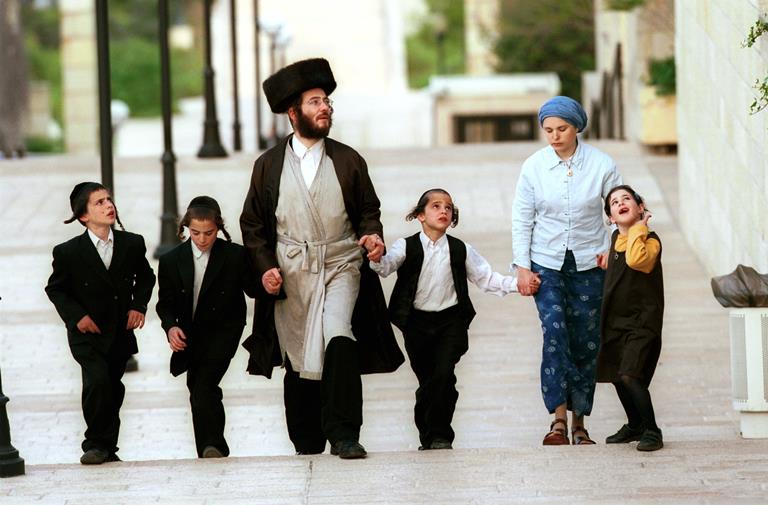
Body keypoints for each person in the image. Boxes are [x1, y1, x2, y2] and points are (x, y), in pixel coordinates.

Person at [240, 57, 404, 459]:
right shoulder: (268, 166)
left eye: (327, 101)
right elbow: (253, 225)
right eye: (315, 102)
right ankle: (306, 435)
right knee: (298, 348)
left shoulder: (349, 160)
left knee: (338, 335)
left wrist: (373, 237)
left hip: (341, 263)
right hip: (291, 268)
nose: (325, 108)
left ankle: (345, 432)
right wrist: (266, 270)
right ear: (294, 113)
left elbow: (369, 210)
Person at [370, 188, 523, 451]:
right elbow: (386, 266)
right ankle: (427, 434)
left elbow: (486, 278)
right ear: (420, 215)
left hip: (450, 322)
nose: (443, 211)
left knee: (443, 374)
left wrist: (518, 284)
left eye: (448, 208)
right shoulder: (406, 246)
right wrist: (375, 256)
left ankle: (441, 435)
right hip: (416, 324)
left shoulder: (460, 248)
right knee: (429, 381)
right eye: (436, 206)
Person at [511, 96, 622, 445]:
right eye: (548, 130)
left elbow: (617, 209)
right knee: (555, 335)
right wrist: (522, 267)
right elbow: (522, 217)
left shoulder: (602, 164)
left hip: (591, 262)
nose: (555, 136)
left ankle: (580, 422)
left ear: (577, 128)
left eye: (562, 129)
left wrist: (612, 250)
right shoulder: (533, 167)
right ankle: (557, 419)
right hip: (546, 261)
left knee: (586, 342)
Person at [45, 182, 155, 464]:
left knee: (113, 386)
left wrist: (137, 306)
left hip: (119, 331)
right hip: (86, 333)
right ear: (83, 216)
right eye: (99, 203)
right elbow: (56, 289)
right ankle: (93, 444)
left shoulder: (132, 243)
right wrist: (77, 316)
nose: (109, 206)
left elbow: (146, 277)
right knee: (96, 381)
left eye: (109, 200)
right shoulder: (68, 251)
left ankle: (108, 446)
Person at [156, 196, 257, 458]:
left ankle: (211, 445)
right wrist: (170, 328)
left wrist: (269, 279)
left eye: (209, 233)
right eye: (196, 232)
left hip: (225, 330)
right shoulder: (170, 260)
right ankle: (211, 446)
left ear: (219, 228)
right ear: (186, 229)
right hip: (190, 334)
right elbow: (164, 304)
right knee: (198, 387)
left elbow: (253, 289)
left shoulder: (235, 255)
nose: (202, 239)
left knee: (204, 383)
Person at [597, 185, 664, 451]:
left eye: (627, 199)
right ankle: (634, 424)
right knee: (615, 373)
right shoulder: (616, 239)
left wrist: (640, 226)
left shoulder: (650, 240)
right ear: (611, 217)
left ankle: (652, 430)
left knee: (629, 375)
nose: (621, 203)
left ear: (640, 207)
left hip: (642, 321)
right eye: (614, 202)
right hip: (616, 320)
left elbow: (637, 261)